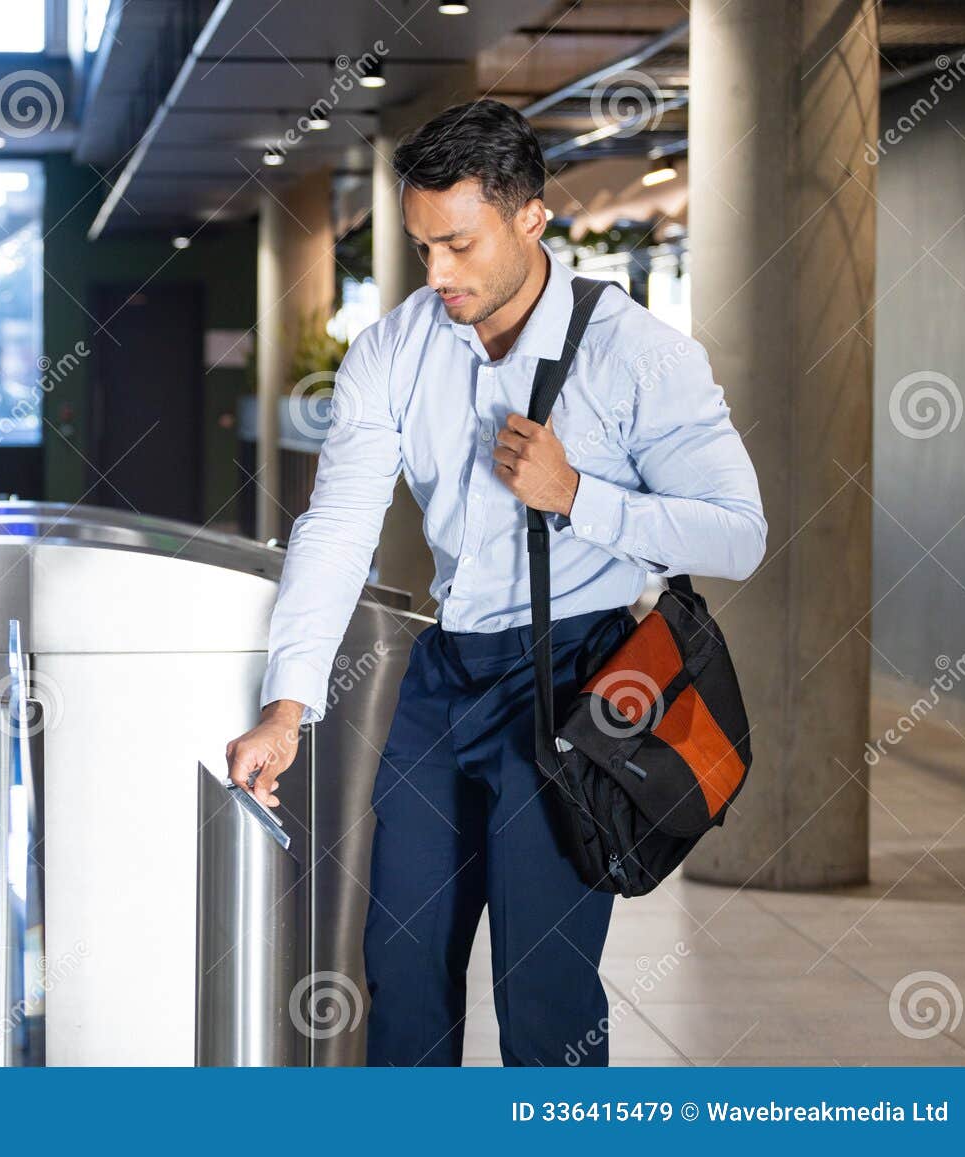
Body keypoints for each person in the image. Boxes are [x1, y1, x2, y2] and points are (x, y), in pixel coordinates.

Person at [224, 99, 765, 1067]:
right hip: (446, 674)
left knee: (542, 989)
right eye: (421, 247)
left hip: (577, 675)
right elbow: (337, 525)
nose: (436, 274)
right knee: (401, 965)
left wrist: (579, 496)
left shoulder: (637, 354)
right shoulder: (395, 349)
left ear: (530, 218)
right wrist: (286, 705)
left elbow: (739, 534)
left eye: (459, 245)